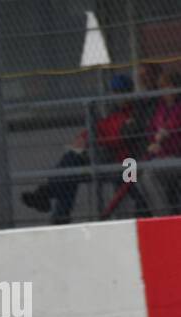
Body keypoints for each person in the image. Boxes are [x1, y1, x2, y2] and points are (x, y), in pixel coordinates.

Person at [22, 74, 147, 223]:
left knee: (71, 165)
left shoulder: (136, 110)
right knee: (71, 167)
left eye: (122, 92)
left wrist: (94, 139)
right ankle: (59, 216)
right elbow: (100, 128)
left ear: (129, 91)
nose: (118, 96)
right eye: (116, 92)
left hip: (126, 161)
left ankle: (46, 195)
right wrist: (83, 138)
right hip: (106, 154)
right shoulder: (113, 110)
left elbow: (118, 137)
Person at [145, 72, 181, 215]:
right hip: (159, 156)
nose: (165, 92)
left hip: (176, 156)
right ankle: (144, 213)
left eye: (168, 87)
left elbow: (172, 126)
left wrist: (166, 132)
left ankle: (163, 216)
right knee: (131, 173)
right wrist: (153, 142)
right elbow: (151, 130)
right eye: (162, 88)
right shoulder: (160, 107)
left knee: (149, 174)